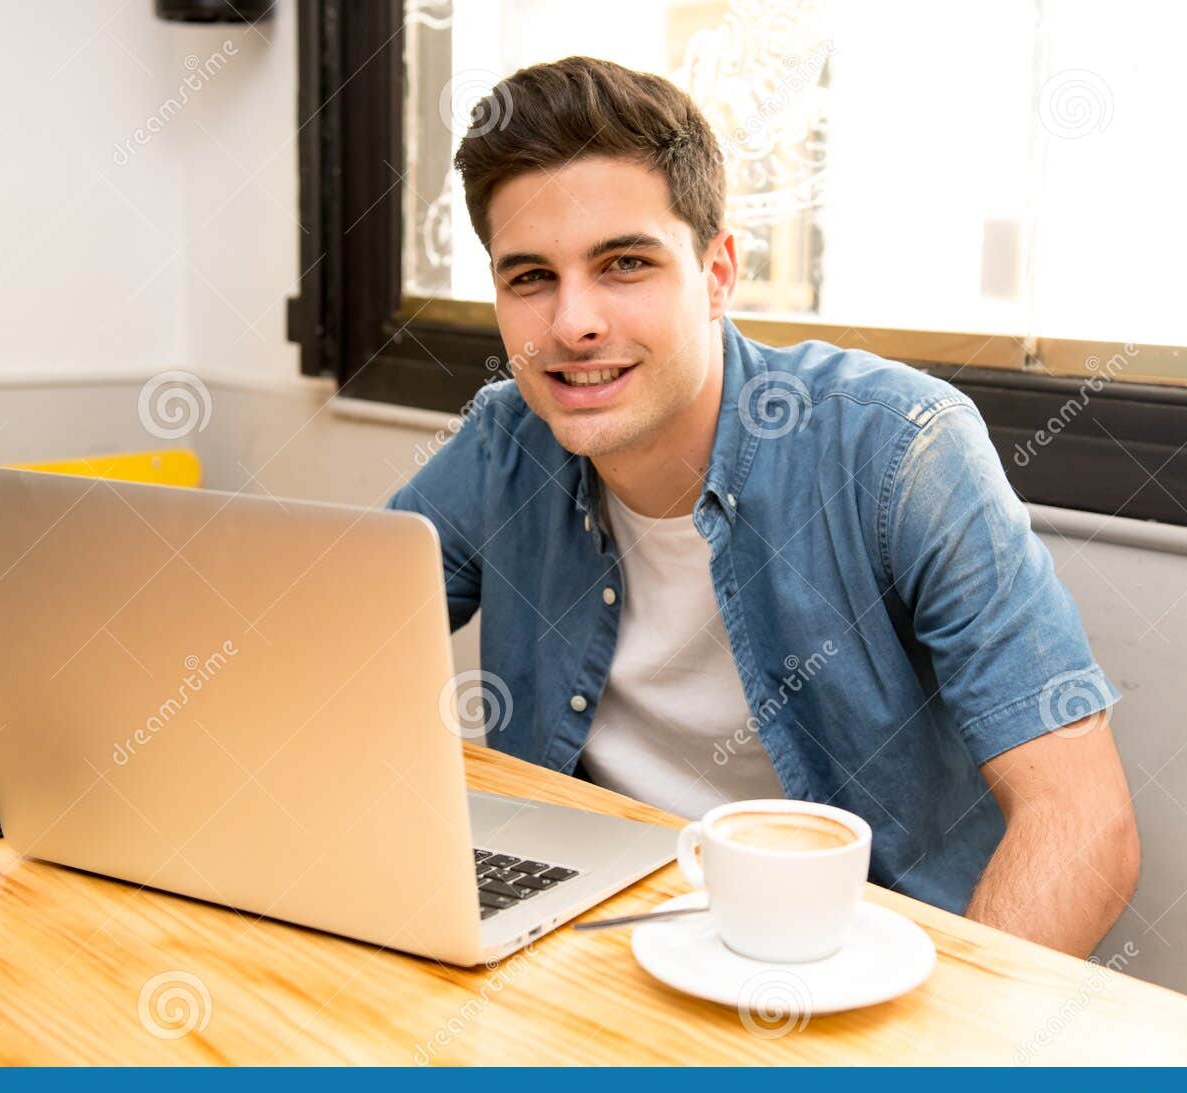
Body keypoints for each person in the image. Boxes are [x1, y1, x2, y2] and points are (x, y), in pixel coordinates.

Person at [389, 56, 1139, 957]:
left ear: (717, 273)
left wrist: (953, 1038)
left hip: (861, 960)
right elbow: (322, 650)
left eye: (624, 264)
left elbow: (1085, 823)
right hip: (593, 937)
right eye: (529, 278)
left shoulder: (900, 447)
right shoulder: (505, 441)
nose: (572, 323)